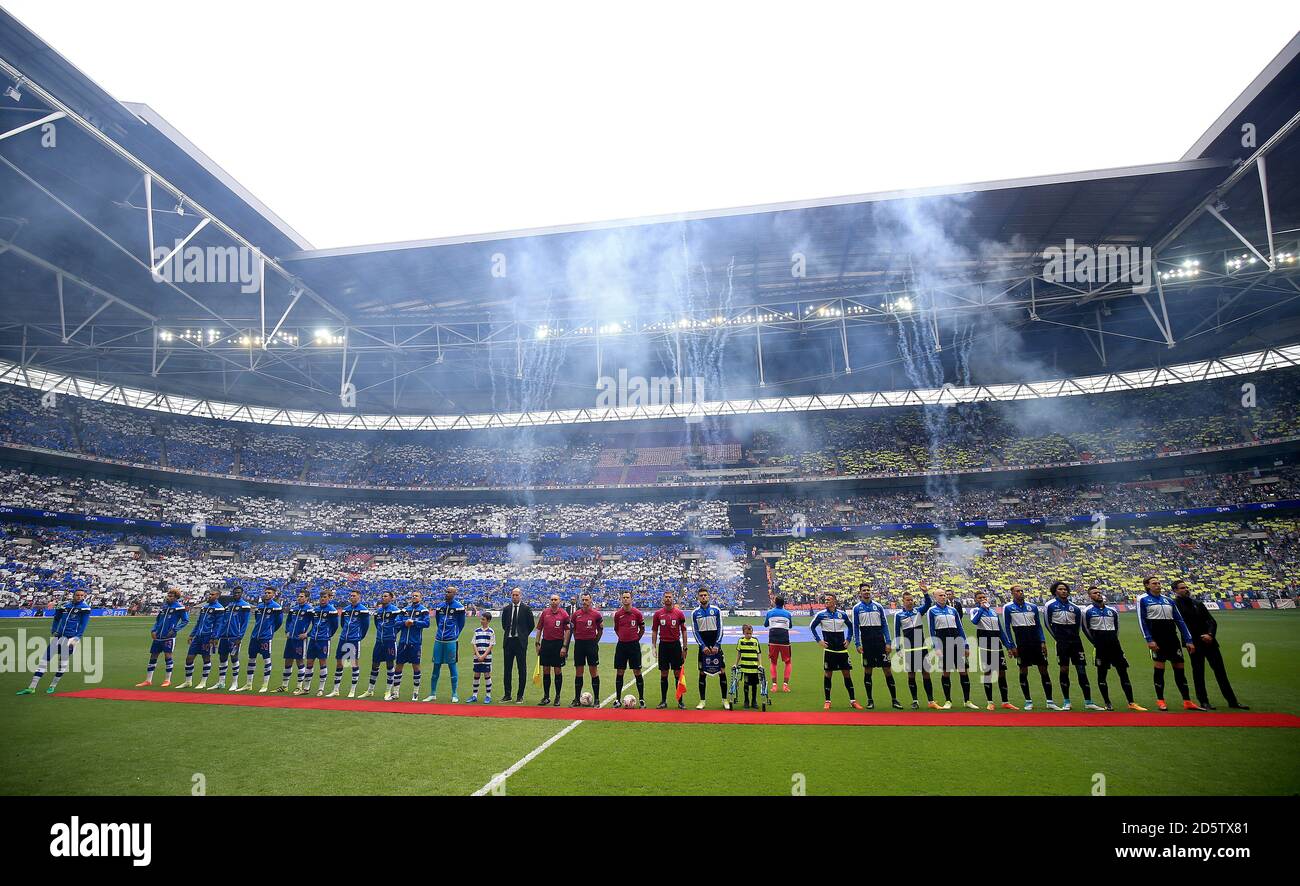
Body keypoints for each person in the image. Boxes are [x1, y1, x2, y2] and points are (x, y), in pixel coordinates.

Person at [1172, 580, 1248, 710]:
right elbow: (1181, 626)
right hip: (1193, 644)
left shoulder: (1197, 604)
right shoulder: (1174, 606)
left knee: (1221, 672)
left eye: (1186, 587)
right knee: (1198, 673)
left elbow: (1211, 621)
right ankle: (1204, 701)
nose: (1186, 589)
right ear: (1175, 591)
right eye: (1182, 588)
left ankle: (1232, 701)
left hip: (1210, 642)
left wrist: (1210, 635)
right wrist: (1188, 641)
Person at [1136, 576, 1201, 712]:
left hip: (1172, 639)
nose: (1158, 585)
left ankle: (1187, 701)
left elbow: (1180, 621)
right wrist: (1149, 639)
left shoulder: (1169, 600)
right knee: (1160, 669)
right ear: (1147, 586)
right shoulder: (1143, 600)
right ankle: (1161, 700)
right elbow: (1142, 621)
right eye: (1154, 583)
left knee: (1180, 669)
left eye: (1159, 583)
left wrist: (1188, 640)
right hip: (1157, 640)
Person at [1081, 586, 1144, 711]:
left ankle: (1131, 702)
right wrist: (1096, 642)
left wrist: (1113, 640)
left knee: (1123, 672)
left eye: (1099, 592)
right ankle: (1107, 702)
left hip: (1115, 646)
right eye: (1095, 593)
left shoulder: (1112, 611)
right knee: (1102, 674)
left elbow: (1117, 628)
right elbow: (1085, 629)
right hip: (1100, 647)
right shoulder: (1087, 611)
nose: (1098, 594)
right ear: (1090, 596)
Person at [18, 590, 91, 696]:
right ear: (73, 595)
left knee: (62, 664)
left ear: (84, 596)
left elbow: (83, 624)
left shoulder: (85, 608)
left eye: (81, 595)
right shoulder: (64, 605)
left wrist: (77, 637)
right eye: (77, 595)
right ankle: (31, 688)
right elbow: (56, 618)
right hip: (58, 637)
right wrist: (54, 630)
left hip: (70, 639)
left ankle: (52, 686)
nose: (79, 597)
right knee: (44, 661)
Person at [1044, 581, 1099, 711]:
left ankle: (1088, 701)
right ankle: (1066, 701)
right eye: (1060, 589)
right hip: (1061, 642)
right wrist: (1058, 638)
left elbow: (1078, 626)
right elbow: (1047, 624)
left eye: (1065, 589)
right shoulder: (1050, 605)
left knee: (1081, 670)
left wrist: (1073, 637)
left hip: (1076, 642)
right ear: (1055, 592)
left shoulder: (1075, 607)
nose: (1064, 591)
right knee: (1064, 669)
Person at [1003, 584, 1059, 710]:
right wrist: (1012, 646)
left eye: (1021, 591)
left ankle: (1050, 701)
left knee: (1044, 669)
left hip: (1036, 643)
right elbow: (1007, 628)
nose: (1020, 593)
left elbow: (1039, 626)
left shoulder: (1032, 607)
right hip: (1021, 644)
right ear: (1012, 593)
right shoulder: (1008, 608)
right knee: (1023, 670)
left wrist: (1043, 642)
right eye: (1017, 591)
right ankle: (1028, 701)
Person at [809, 593, 863, 711]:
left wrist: (848, 639)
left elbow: (851, 627)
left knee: (847, 674)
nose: (826, 601)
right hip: (829, 649)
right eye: (826, 599)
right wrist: (819, 641)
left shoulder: (842, 614)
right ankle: (827, 701)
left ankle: (853, 700)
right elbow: (812, 627)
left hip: (842, 650)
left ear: (835, 601)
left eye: (829, 599)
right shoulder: (821, 615)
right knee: (828, 674)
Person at [925, 588, 976, 710]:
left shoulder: (953, 610)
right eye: (941, 595)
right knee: (946, 672)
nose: (943, 597)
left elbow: (960, 628)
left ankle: (967, 700)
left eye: (944, 595)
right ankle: (948, 700)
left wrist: (966, 645)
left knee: (963, 671)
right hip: (943, 644)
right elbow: (931, 630)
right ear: (935, 597)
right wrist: (936, 646)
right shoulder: (932, 611)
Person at [853, 584, 900, 709]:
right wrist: (857, 643)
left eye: (868, 590)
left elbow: (884, 625)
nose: (867, 592)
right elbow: (855, 627)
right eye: (864, 590)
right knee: (868, 670)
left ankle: (894, 699)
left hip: (880, 643)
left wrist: (888, 642)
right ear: (860, 593)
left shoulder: (878, 606)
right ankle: (870, 700)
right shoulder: (857, 608)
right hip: (867, 644)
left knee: (887, 670)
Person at [968, 591, 1017, 710]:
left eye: (984, 597)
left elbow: (1000, 630)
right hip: (985, 645)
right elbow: (974, 622)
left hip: (997, 644)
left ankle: (1005, 701)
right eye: (980, 598)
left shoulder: (993, 612)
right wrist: (981, 608)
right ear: (976, 600)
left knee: (1002, 672)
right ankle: (990, 702)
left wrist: (1008, 646)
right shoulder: (975, 611)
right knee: (988, 673)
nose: (983, 599)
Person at [137, 588, 188, 688]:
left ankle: (167, 680)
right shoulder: (164, 607)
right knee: (153, 657)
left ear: (176, 597)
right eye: (168, 595)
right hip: (158, 636)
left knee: (168, 657)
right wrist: (153, 630)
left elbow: (185, 621)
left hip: (169, 637)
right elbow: (158, 620)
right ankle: (148, 680)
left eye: (171, 596)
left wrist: (174, 630)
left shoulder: (179, 608)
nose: (168, 597)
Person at [893, 586, 934, 709]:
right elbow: (896, 632)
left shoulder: (918, 611)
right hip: (909, 649)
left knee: (926, 673)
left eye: (911, 600)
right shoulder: (898, 615)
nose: (910, 602)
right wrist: (898, 649)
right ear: (903, 601)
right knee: (911, 675)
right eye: (907, 600)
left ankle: (931, 701)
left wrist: (925, 592)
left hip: (921, 647)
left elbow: (928, 604)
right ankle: (915, 700)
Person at [177, 589, 223, 689]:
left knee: (206, 658)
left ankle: (203, 682)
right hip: (198, 636)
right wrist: (192, 634)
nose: (209, 596)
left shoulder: (219, 608)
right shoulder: (204, 607)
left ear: (217, 596)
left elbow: (218, 624)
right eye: (209, 594)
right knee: (189, 658)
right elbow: (199, 623)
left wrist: (215, 637)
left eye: (212, 594)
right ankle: (188, 681)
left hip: (208, 636)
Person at [691, 587, 728, 710]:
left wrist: (717, 644)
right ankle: (702, 701)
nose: (703, 597)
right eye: (701, 595)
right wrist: (703, 646)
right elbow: (695, 631)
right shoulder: (695, 613)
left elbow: (721, 629)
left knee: (722, 672)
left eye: (705, 595)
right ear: (698, 598)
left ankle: (725, 700)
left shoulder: (716, 610)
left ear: (709, 596)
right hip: (703, 648)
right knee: (702, 673)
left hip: (716, 647)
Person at [427, 587, 466, 702]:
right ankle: (433, 694)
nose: (447, 594)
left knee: (452, 665)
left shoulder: (459, 607)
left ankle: (454, 694)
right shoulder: (440, 607)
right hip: (438, 640)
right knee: (436, 666)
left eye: (449, 592)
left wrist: (455, 634)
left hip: (451, 641)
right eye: (446, 592)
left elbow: (461, 623)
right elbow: (438, 620)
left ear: (454, 593)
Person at [389, 591, 430, 701]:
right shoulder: (405, 610)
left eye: (416, 596)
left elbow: (427, 623)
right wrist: (404, 623)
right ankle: (396, 692)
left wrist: (414, 622)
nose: (414, 597)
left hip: (415, 643)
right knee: (398, 665)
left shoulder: (423, 610)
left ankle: (415, 693)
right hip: (402, 643)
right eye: (413, 596)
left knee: (416, 666)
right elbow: (396, 623)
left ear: (421, 598)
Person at [329, 589, 370, 698]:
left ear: (359, 597)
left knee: (353, 663)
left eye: (354, 596)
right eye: (351, 595)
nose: (352, 597)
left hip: (354, 640)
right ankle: (336, 690)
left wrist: (359, 637)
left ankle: (352, 690)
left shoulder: (363, 610)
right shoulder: (346, 610)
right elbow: (342, 623)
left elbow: (366, 626)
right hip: (343, 639)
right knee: (339, 663)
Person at [240, 587, 282, 693]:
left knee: (266, 660)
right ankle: (249, 684)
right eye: (266, 592)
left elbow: (279, 622)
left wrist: (270, 631)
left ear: (274, 595)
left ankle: (265, 684)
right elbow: (257, 620)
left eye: (269, 593)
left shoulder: (276, 607)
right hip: (254, 637)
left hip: (266, 638)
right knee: (251, 659)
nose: (267, 594)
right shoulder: (259, 607)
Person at [651, 590, 688, 710]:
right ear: (663, 599)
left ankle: (680, 701)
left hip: (675, 646)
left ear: (673, 599)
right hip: (663, 646)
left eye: (670, 597)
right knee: (664, 673)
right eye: (666, 597)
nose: (668, 599)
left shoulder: (679, 613)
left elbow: (683, 630)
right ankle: (663, 701)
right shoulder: (658, 614)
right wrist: (653, 646)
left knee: (677, 673)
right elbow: (655, 631)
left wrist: (685, 647)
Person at [499, 587, 534, 703]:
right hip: (508, 642)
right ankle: (507, 694)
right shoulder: (507, 609)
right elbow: (504, 625)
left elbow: (531, 625)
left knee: (521, 669)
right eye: (513, 595)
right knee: (507, 670)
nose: (514, 597)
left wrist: (523, 635)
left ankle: (520, 695)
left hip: (520, 643)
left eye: (516, 595)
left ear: (520, 596)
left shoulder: (526, 609)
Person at [212, 586, 252, 691]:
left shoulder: (245, 606)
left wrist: (240, 636)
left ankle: (235, 683)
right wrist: (218, 635)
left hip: (235, 636)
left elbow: (245, 623)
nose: (236, 594)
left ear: (242, 593)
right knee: (222, 658)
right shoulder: (229, 605)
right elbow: (223, 621)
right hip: (224, 636)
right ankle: (221, 682)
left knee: (234, 658)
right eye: (235, 592)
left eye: (238, 592)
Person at [534, 594, 571, 706]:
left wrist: (564, 646)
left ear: (559, 601)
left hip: (558, 644)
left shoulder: (563, 613)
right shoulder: (545, 613)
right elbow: (539, 628)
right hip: (546, 644)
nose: (553, 601)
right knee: (546, 669)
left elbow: (568, 631)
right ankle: (546, 696)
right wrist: (537, 643)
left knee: (557, 670)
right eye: (552, 599)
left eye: (556, 599)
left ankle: (557, 697)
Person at [274, 590, 313, 694]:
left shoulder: (310, 609)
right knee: (288, 661)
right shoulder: (294, 609)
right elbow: (288, 621)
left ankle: (299, 686)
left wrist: (307, 634)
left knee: (299, 661)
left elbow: (316, 624)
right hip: (290, 639)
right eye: (298, 596)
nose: (299, 598)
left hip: (300, 639)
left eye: (301, 596)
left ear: (307, 598)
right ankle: (284, 686)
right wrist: (287, 631)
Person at [569, 592, 604, 706]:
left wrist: (595, 642)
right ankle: (576, 699)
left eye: (586, 600)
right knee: (579, 671)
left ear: (590, 600)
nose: (584, 602)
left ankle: (597, 699)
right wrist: (578, 638)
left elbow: (600, 630)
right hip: (579, 645)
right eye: (583, 600)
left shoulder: (596, 615)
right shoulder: (576, 615)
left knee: (593, 671)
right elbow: (573, 629)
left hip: (591, 644)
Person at [362, 591, 400, 698]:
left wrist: (392, 633)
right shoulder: (378, 612)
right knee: (375, 664)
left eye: (386, 596)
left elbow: (399, 625)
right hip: (379, 641)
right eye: (382, 596)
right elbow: (376, 624)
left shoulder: (395, 611)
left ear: (391, 598)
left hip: (390, 641)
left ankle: (388, 690)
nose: (383, 598)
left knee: (389, 665)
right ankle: (370, 690)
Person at [302, 589, 339, 697]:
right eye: (321, 597)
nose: (322, 599)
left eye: (325, 597)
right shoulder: (315, 610)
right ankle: (306, 688)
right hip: (313, 640)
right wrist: (309, 634)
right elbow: (314, 624)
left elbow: (335, 626)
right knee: (309, 663)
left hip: (323, 640)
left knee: (322, 663)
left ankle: (321, 688)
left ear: (329, 598)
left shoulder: (332, 610)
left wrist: (328, 635)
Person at [612, 591, 645, 708]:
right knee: (620, 671)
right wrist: (622, 637)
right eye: (624, 597)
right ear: (621, 599)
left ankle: (641, 699)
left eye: (627, 597)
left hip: (634, 646)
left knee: (637, 671)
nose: (626, 599)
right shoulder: (618, 614)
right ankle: (617, 700)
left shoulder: (637, 613)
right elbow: (616, 628)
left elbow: (642, 628)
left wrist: (636, 638)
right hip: (621, 646)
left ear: (631, 599)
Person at [763, 596, 794, 691]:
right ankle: (785, 685)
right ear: (783, 603)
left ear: (775, 603)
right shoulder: (788, 613)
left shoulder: (769, 613)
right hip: (784, 640)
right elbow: (790, 626)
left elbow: (765, 625)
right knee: (788, 662)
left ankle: (774, 686)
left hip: (773, 640)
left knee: (773, 662)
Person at [735, 623, 764, 709]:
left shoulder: (755, 641)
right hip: (745, 668)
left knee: (754, 685)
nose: (749, 635)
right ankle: (746, 700)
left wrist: (760, 664)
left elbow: (759, 653)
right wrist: (736, 664)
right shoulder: (741, 641)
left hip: (754, 668)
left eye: (750, 633)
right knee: (746, 685)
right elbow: (739, 653)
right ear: (743, 633)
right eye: (747, 633)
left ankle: (754, 701)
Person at [468, 612, 495, 704]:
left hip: (486, 657)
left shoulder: (491, 631)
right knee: (476, 675)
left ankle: (488, 696)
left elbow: (491, 645)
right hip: (477, 656)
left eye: (483, 619)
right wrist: (478, 654)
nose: (481, 621)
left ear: (488, 621)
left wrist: (483, 655)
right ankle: (474, 695)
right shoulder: (477, 631)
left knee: (487, 675)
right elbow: (474, 643)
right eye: (481, 619)